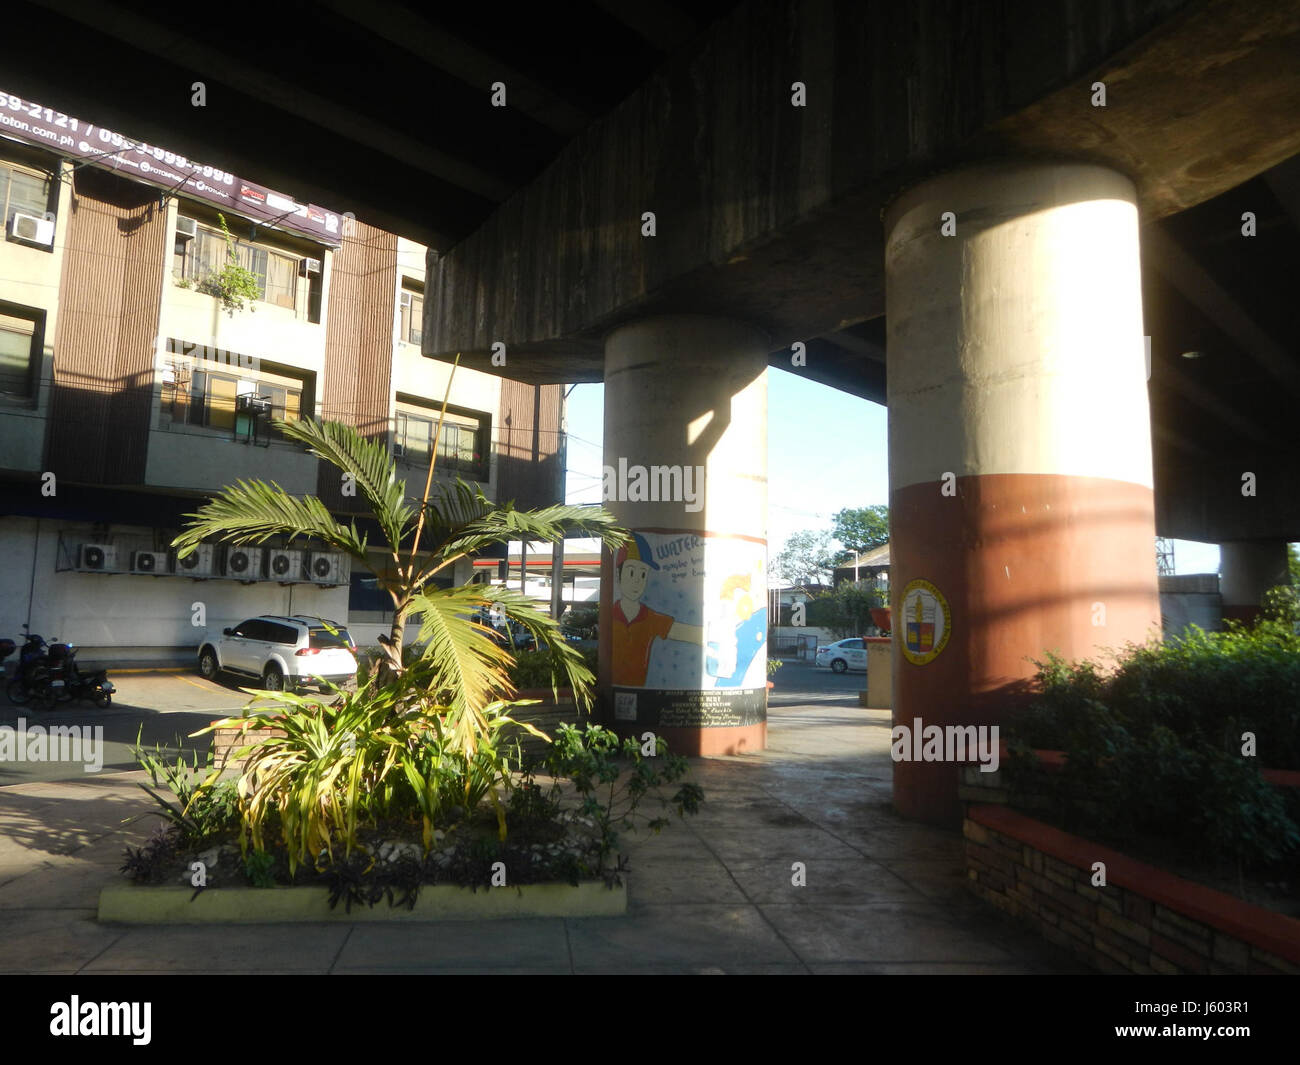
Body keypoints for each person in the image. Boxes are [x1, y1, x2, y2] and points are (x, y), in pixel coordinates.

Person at [611, 532, 704, 687]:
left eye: (642, 574)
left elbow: (685, 633)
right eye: (631, 572)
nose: (637, 581)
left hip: (641, 694)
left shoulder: (649, 618)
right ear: (618, 574)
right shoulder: (610, 616)